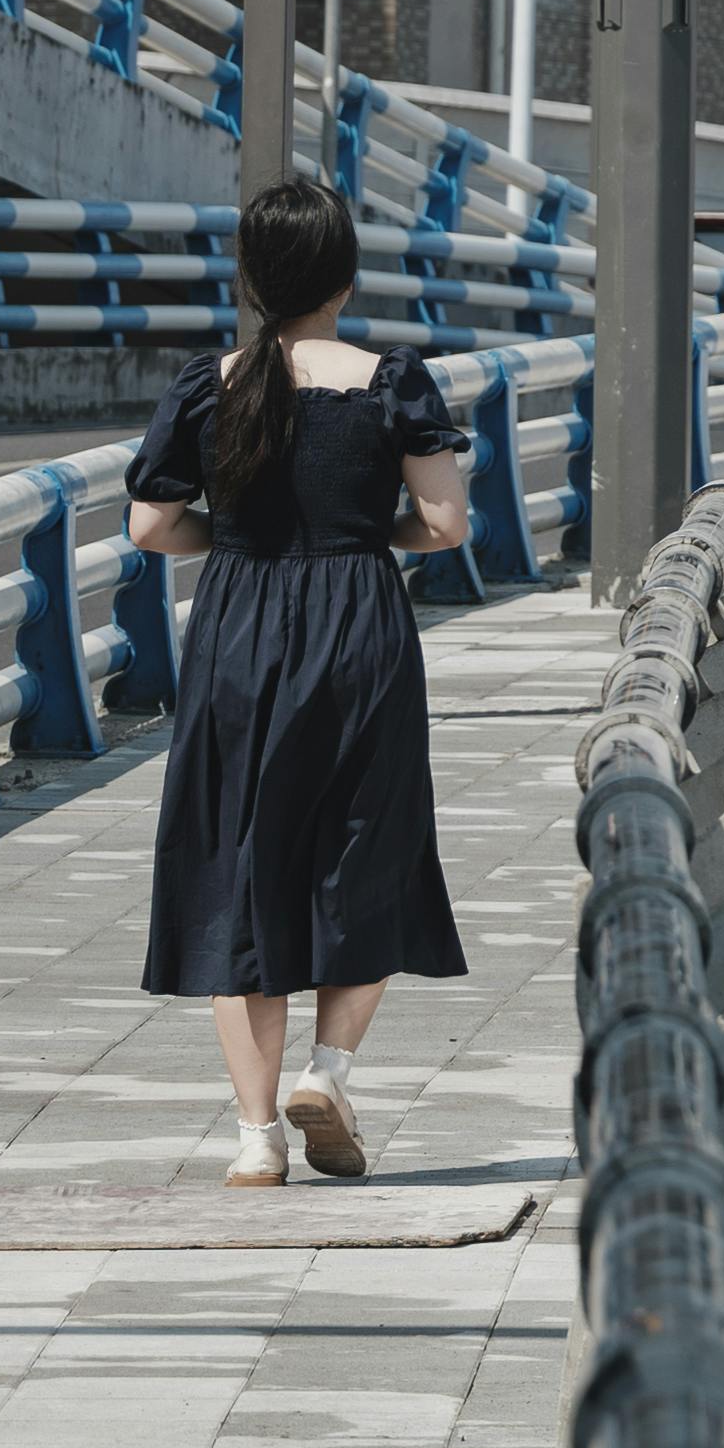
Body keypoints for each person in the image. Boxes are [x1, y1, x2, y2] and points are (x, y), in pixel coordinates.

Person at [124, 176, 472, 1186]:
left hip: (238, 625)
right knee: (369, 846)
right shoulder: (392, 381)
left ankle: (254, 1136)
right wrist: (373, 540)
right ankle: (329, 1070)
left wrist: (228, 543)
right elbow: (446, 523)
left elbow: (151, 528)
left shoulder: (207, 383)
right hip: (359, 620)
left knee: (240, 860)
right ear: (345, 275)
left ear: (252, 276)